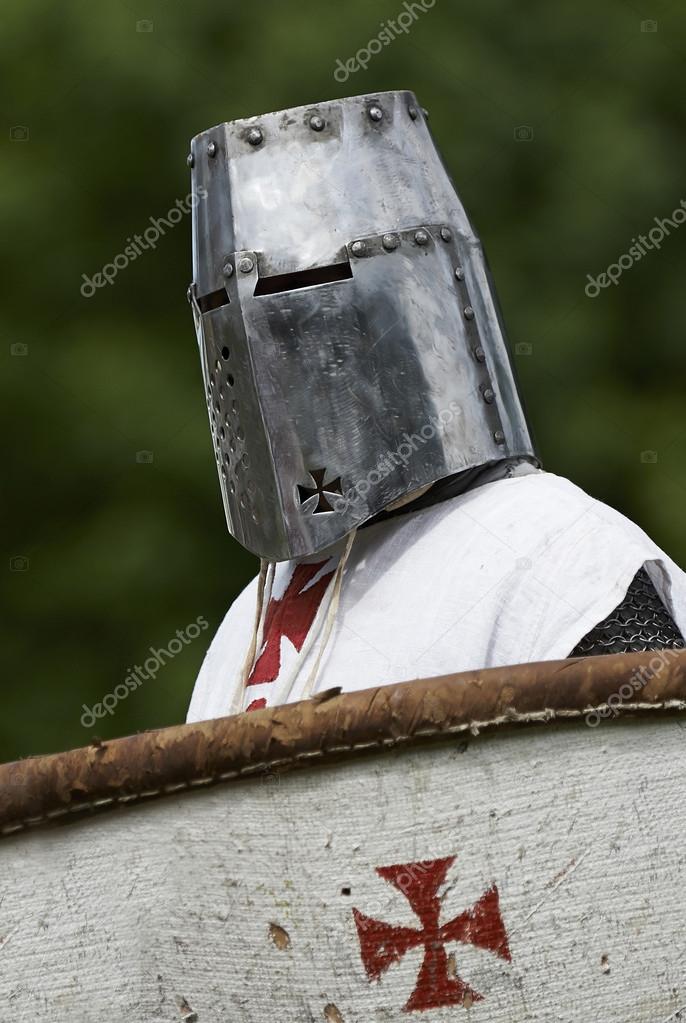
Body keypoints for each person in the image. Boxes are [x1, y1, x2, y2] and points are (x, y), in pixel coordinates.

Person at [184, 90, 685, 723]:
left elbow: (654, 800)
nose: (260, 351)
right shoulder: (248, 622)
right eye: (216, 310)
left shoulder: (553, 549)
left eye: (295, 292)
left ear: (404, 304)